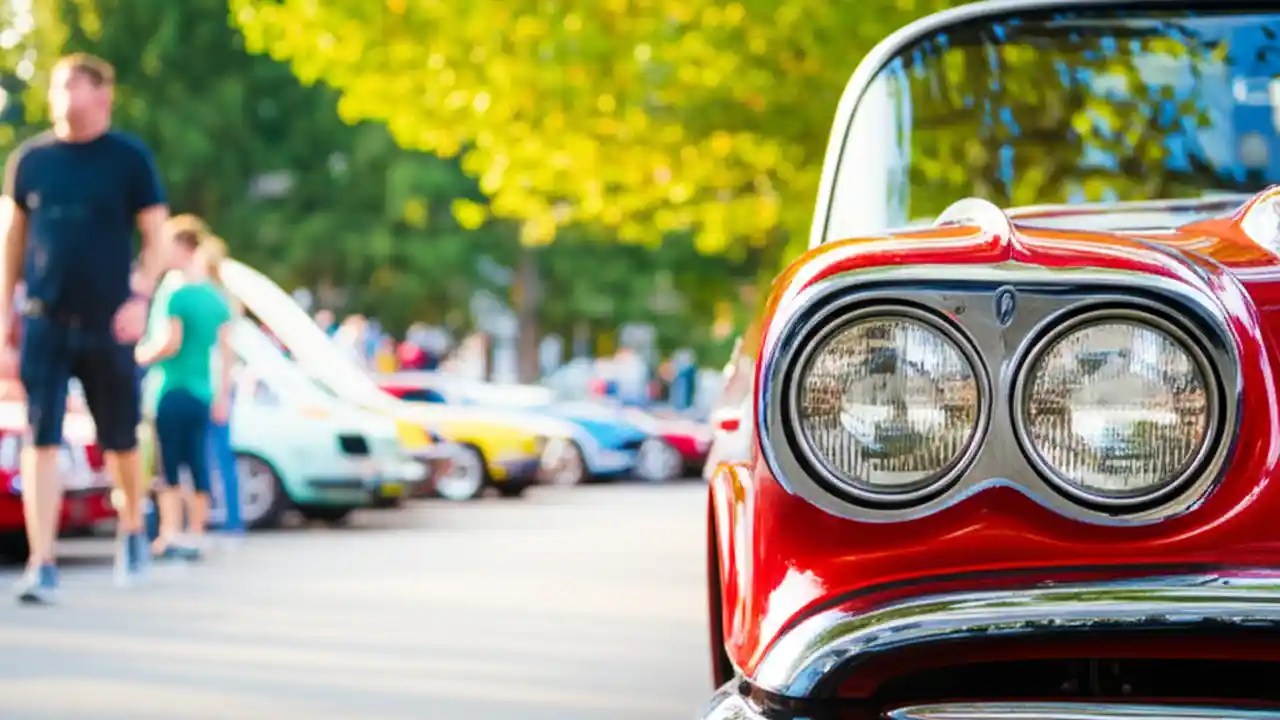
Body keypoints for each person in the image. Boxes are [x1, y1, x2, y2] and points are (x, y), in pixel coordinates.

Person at [0, 53, 168, 602]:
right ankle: (41, 561)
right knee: (40, 438)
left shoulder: (128, 159)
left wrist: (140, 297)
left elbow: (158, 237)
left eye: (74, 85)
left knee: (119, 439)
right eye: (58, 86)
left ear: (103, 95)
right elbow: (14, 240)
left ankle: (133, 527)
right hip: (45, 321)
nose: (62, 95)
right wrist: (4, 311)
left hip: (108, 322)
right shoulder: (31, 161)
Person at [135, 229, 232, 559]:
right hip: (202, 391)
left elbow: (170, 342)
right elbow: (226, 353)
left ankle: (170, 532)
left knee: (170, 465)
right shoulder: (215, 298)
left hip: (170, 389)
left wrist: (141, 353)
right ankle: (198, 532)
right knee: (199, 462)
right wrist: (222, 395)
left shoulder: (174, 294)